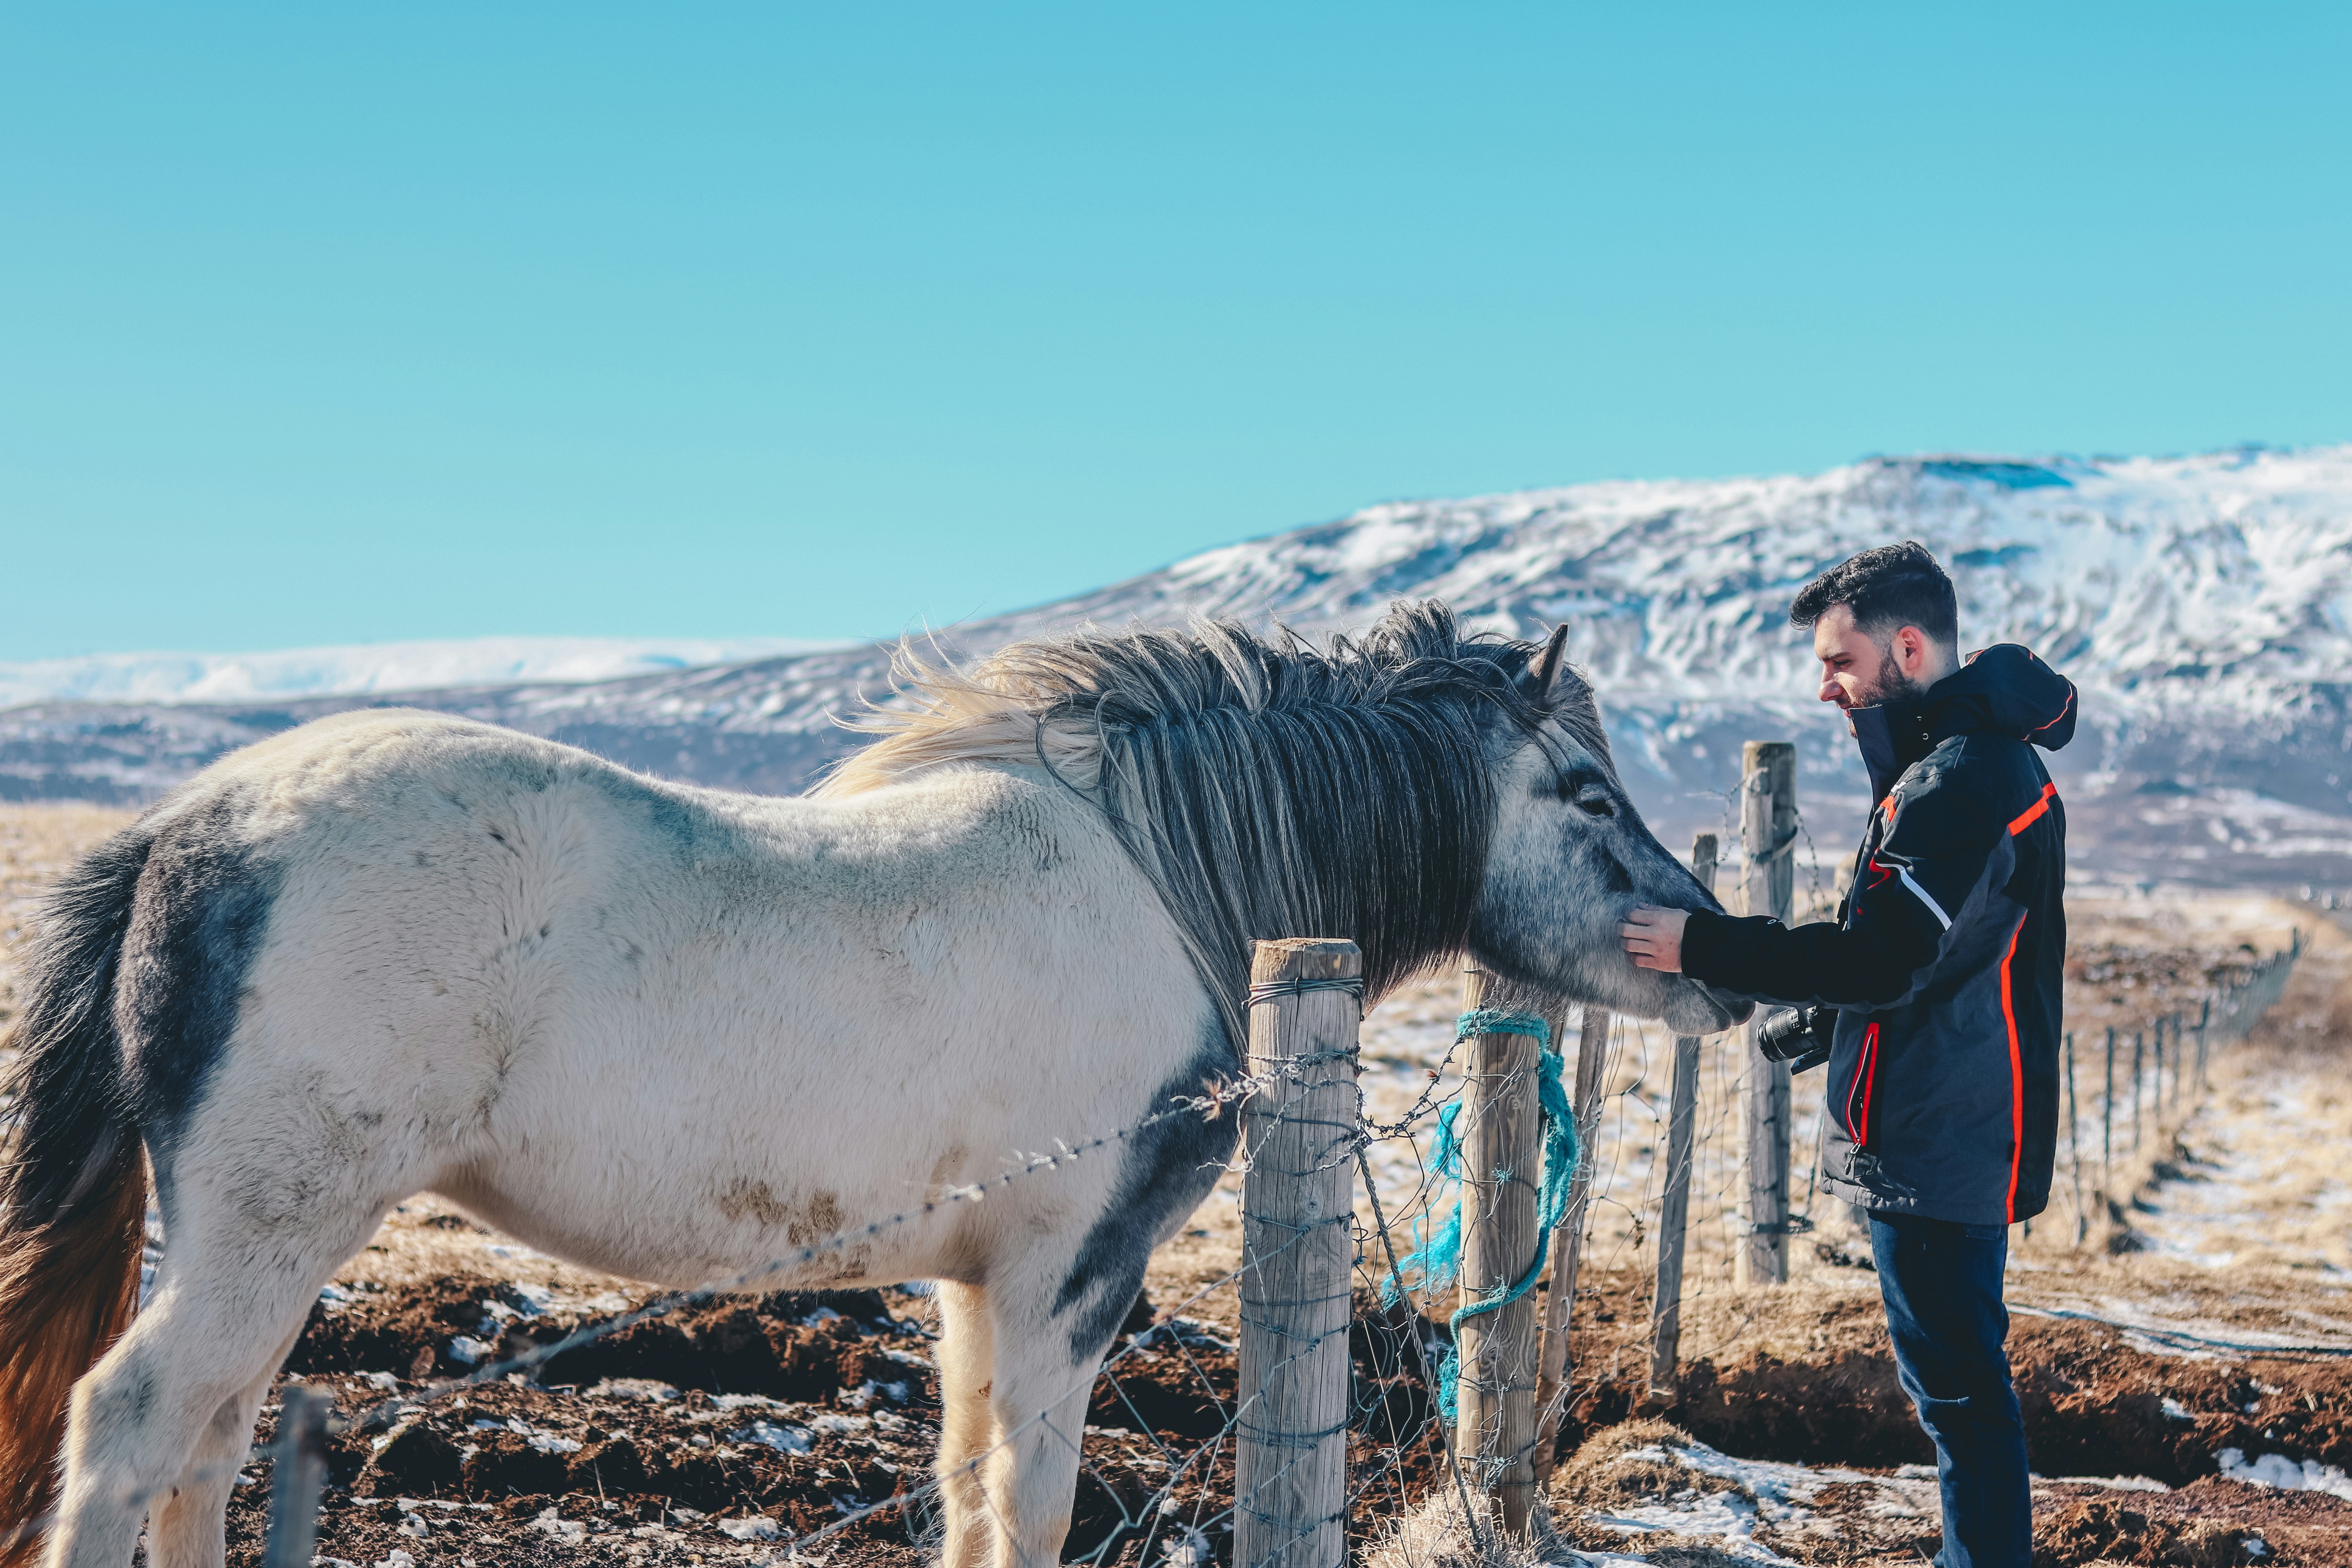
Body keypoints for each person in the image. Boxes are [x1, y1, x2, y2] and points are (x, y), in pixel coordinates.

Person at [1620, 541, 2075, 1568]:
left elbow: (1878, 955)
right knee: (1959, 1392)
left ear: (1907, 648)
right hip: (1951, 1119)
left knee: (1959, 1401)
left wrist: (1701, 944)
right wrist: (1833, 1025)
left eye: (1840, 661)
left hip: (1940, 1137)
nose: (1825, 688)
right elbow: (1948, 953)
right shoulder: (1972, 761)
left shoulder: (1958, 780)